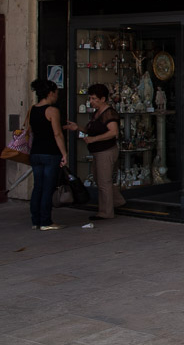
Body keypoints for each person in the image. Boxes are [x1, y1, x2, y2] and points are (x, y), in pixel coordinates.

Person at [65, 83, 125, 220]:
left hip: (106, 151)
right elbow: (91, 130)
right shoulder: (97, 113)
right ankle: (117, 201)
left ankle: (106, 212)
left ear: (102, 99)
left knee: (104, 182)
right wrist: (78, 128)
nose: (91, 101)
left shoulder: (109, 113)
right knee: (99, 179)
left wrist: (94, 139)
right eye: (90, 98)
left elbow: (113, 132)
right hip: (98, 151)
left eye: (93, 99)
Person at [27, 78, 69, 231]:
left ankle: (36, 220)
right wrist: (64, 153)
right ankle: (46, 221)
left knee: (38, 186)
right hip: (50, 152)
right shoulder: (52, 110)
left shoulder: (32, 109)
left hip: (35, 152)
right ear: (50, 93)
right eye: (56, 92)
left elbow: (30, 129)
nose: (57, 95)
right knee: (48, 187)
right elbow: (57, 134)